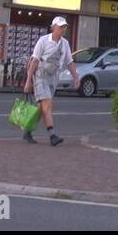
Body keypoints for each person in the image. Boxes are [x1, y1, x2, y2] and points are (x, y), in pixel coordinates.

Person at [23, 16, 79, 146]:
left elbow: (69, 62)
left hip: (53, 77)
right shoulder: (43, 41)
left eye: (64, 27)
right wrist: (28, 80)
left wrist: (76, 76)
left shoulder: (65, 43)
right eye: (60, 27)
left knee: (41, 108)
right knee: (47, 104)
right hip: (41, 75)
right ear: (53, 27)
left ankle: (28, 131)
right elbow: (35, 60)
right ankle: (52, 135)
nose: (63, 29)